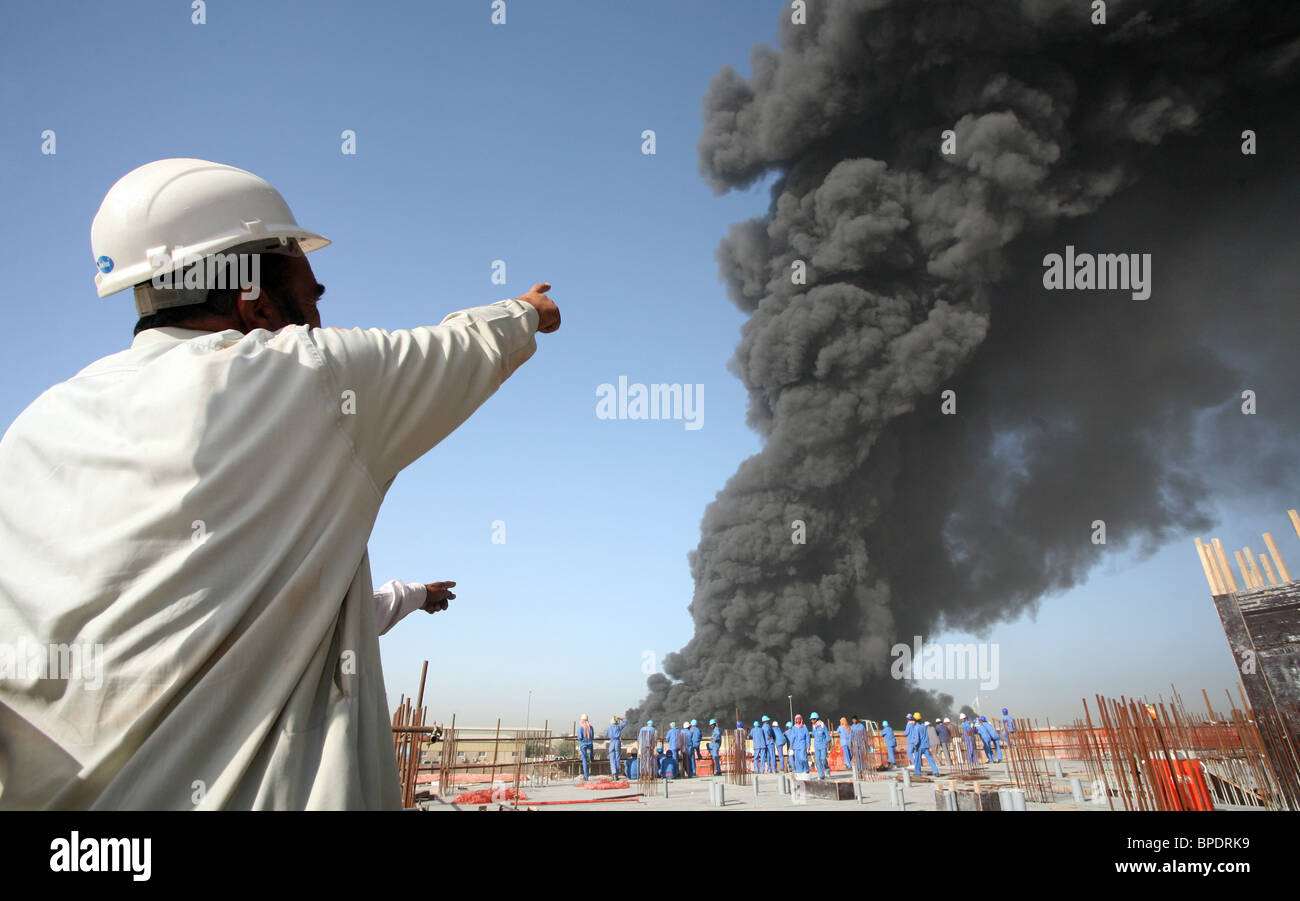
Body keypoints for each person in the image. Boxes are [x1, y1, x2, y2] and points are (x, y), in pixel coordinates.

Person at [0, 159, 560, 810]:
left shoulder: (33, 431)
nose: (320, 317)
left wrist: (411, 595)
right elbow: (456, 349)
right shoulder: (308, 381)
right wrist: (527, 312)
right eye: (312, 294)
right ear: (253, 299)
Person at [811, 713, 831, 779]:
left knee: (823, 758)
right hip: (817, 745)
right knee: (818, 760)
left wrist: (828, 744)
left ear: (816, 719)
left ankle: (827, 769)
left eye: (813, 719)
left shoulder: (823, 726)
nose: (812, 721)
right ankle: (821, 775)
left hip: (823, 744)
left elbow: (827, 735)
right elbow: (814, 735)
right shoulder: (813, 727)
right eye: (811, 719)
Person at [577, 714, 596, 781]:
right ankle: (591, 757)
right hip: (590, 744)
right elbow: (592, 737)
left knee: (584, 759)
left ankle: (586, 776)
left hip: (583, 744)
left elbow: (579, 737)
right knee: (591, 750)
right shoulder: (591, 727)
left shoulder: (581, 728)